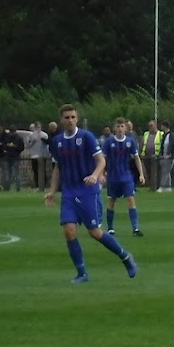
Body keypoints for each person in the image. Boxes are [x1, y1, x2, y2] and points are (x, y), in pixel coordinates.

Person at [45, 104, 137, 283]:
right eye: (67, 117)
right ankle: (82, 273)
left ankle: (125, 257)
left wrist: (95, 175)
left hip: (87, 191)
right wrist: (52, 191)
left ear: (77, 118)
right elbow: (58, 167)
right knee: (69, 231)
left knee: (94, 232)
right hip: (69, 192)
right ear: (61, 120)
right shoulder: (57, 142)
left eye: (73, 117)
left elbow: (101, 160)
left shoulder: (86, 137)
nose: (70, 120)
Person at [102, 117, 146, 237]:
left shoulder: (130, 141)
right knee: (112, 201)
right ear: (114, 128)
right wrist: (101, 174)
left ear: (126, 128)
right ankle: (110, 228)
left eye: (122, 126)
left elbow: (136, 158)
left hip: (126, 176)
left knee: (131, 199)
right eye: (118, 126)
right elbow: (103, 159)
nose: (120, 129)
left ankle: (135, 229)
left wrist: (141, 174)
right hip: (113, 177)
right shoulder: (109, 142)